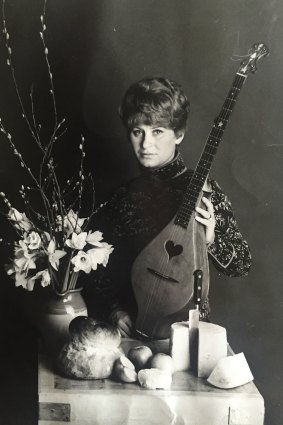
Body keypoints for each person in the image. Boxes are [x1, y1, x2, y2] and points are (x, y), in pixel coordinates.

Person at [83, 77, 251, 338]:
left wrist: (211, 240)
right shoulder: (122, 197)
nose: (146, 143)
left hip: (184, 336)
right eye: (138, 131)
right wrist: (114, 311)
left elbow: (241, 263)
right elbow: (98, 271)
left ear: (179, 134)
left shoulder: (203, 191)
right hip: (127, 334)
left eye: (158, 131)